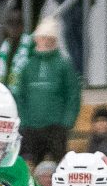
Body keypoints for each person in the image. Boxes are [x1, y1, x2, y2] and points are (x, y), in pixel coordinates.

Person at [10, 18, 80, 166]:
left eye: (48, 38)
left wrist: (67, 121)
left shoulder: (63, 65)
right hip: (31, 127)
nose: (44, 41)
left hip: (56, 127)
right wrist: (23, 119)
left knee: (61, 165)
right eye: (42, 38)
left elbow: (73, 94)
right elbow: (20, 94)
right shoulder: (28, 65)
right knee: (31, 166)